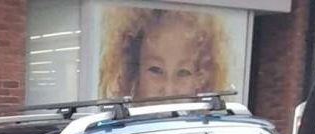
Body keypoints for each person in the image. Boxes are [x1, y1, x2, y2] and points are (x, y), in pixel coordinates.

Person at [97, 7, 230, 100]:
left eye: (183, 72)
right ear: (134, 73)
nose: (168, 90)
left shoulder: (208, 133)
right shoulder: (120, 133)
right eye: (156, 70)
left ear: (200, 79)